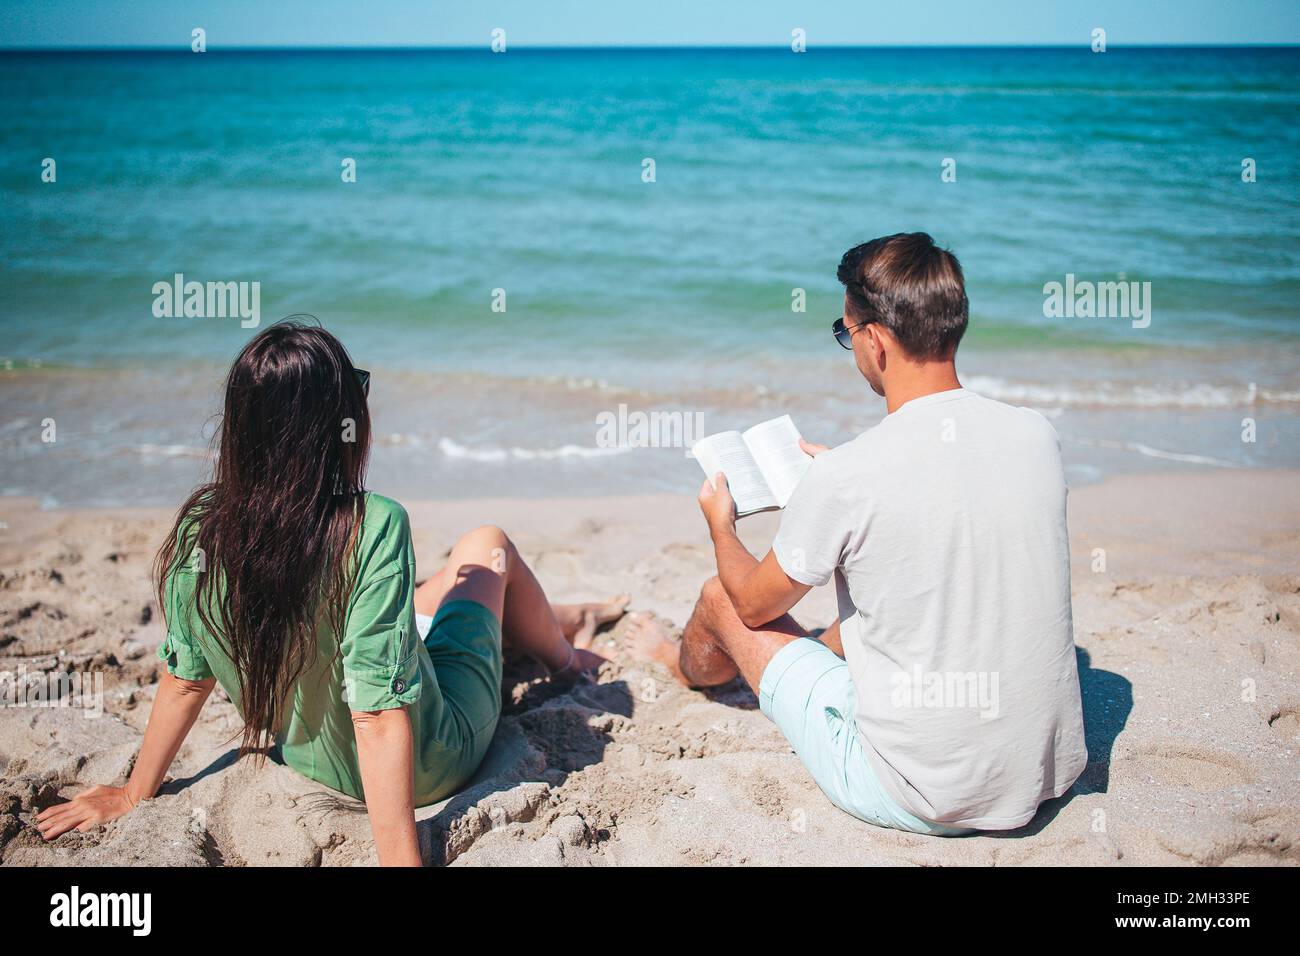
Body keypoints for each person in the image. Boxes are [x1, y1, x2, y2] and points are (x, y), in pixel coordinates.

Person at [35, 321, 627, 864]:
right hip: (433, 760)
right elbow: (375, 714)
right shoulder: (375, 524)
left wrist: (135, 792)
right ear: (338, 422)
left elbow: (188, 675)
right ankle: (568, 657)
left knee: (438, 586)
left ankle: (556, 617)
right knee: (486, 546)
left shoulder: (202, 527)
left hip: (307, 756)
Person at [629, 233, 1087, 834]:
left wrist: (722, 526)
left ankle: (682, 666)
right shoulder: (1036, 435)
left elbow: (752, 602)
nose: (851, 349)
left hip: (919, 791)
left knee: (720, 598)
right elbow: (946, 509)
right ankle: (803, 654)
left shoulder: (850, 475)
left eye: (846, 334)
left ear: (874, 339)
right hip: (1045, 772)